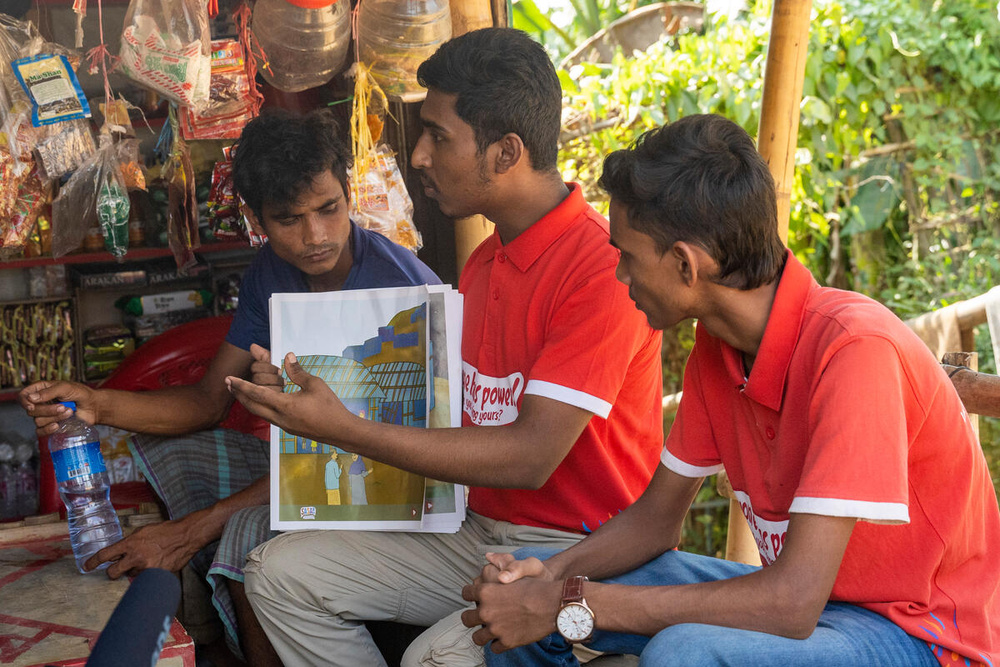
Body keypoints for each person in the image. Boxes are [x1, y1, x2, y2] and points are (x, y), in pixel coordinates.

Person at [461, 114, 1000, 667]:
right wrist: (547, 579)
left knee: (684, 651)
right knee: (527, 592)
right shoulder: (717, 351)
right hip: (825, 610)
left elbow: (791, 603)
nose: (619, 276)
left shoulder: (854, 349)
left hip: (923, 635)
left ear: (684, 264)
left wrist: (574, 603)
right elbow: (655, 521)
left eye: (626, 255)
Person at [225, 27, 665, 667]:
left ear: (505, 151)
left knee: (433, 659)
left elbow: (530, 458)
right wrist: (298, 391)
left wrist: (343, 430)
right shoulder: (486, 262)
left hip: (576, 551)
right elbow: (441, 410)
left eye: (438, 135)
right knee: (277, 574)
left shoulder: (601, 267)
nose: (420, 157)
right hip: (476, 532)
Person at [18, 108, 441, 663]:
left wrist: (195, 528)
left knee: (245, 541)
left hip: (388, 485)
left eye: (329, 209)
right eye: (289, 219)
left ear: (347, 192)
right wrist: (97, 403)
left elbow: (392, 461)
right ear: (257, 218)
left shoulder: (405, 289)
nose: (315, 236)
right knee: (181, 449)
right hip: (306, 466)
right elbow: (204, 403)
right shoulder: (271, 270)